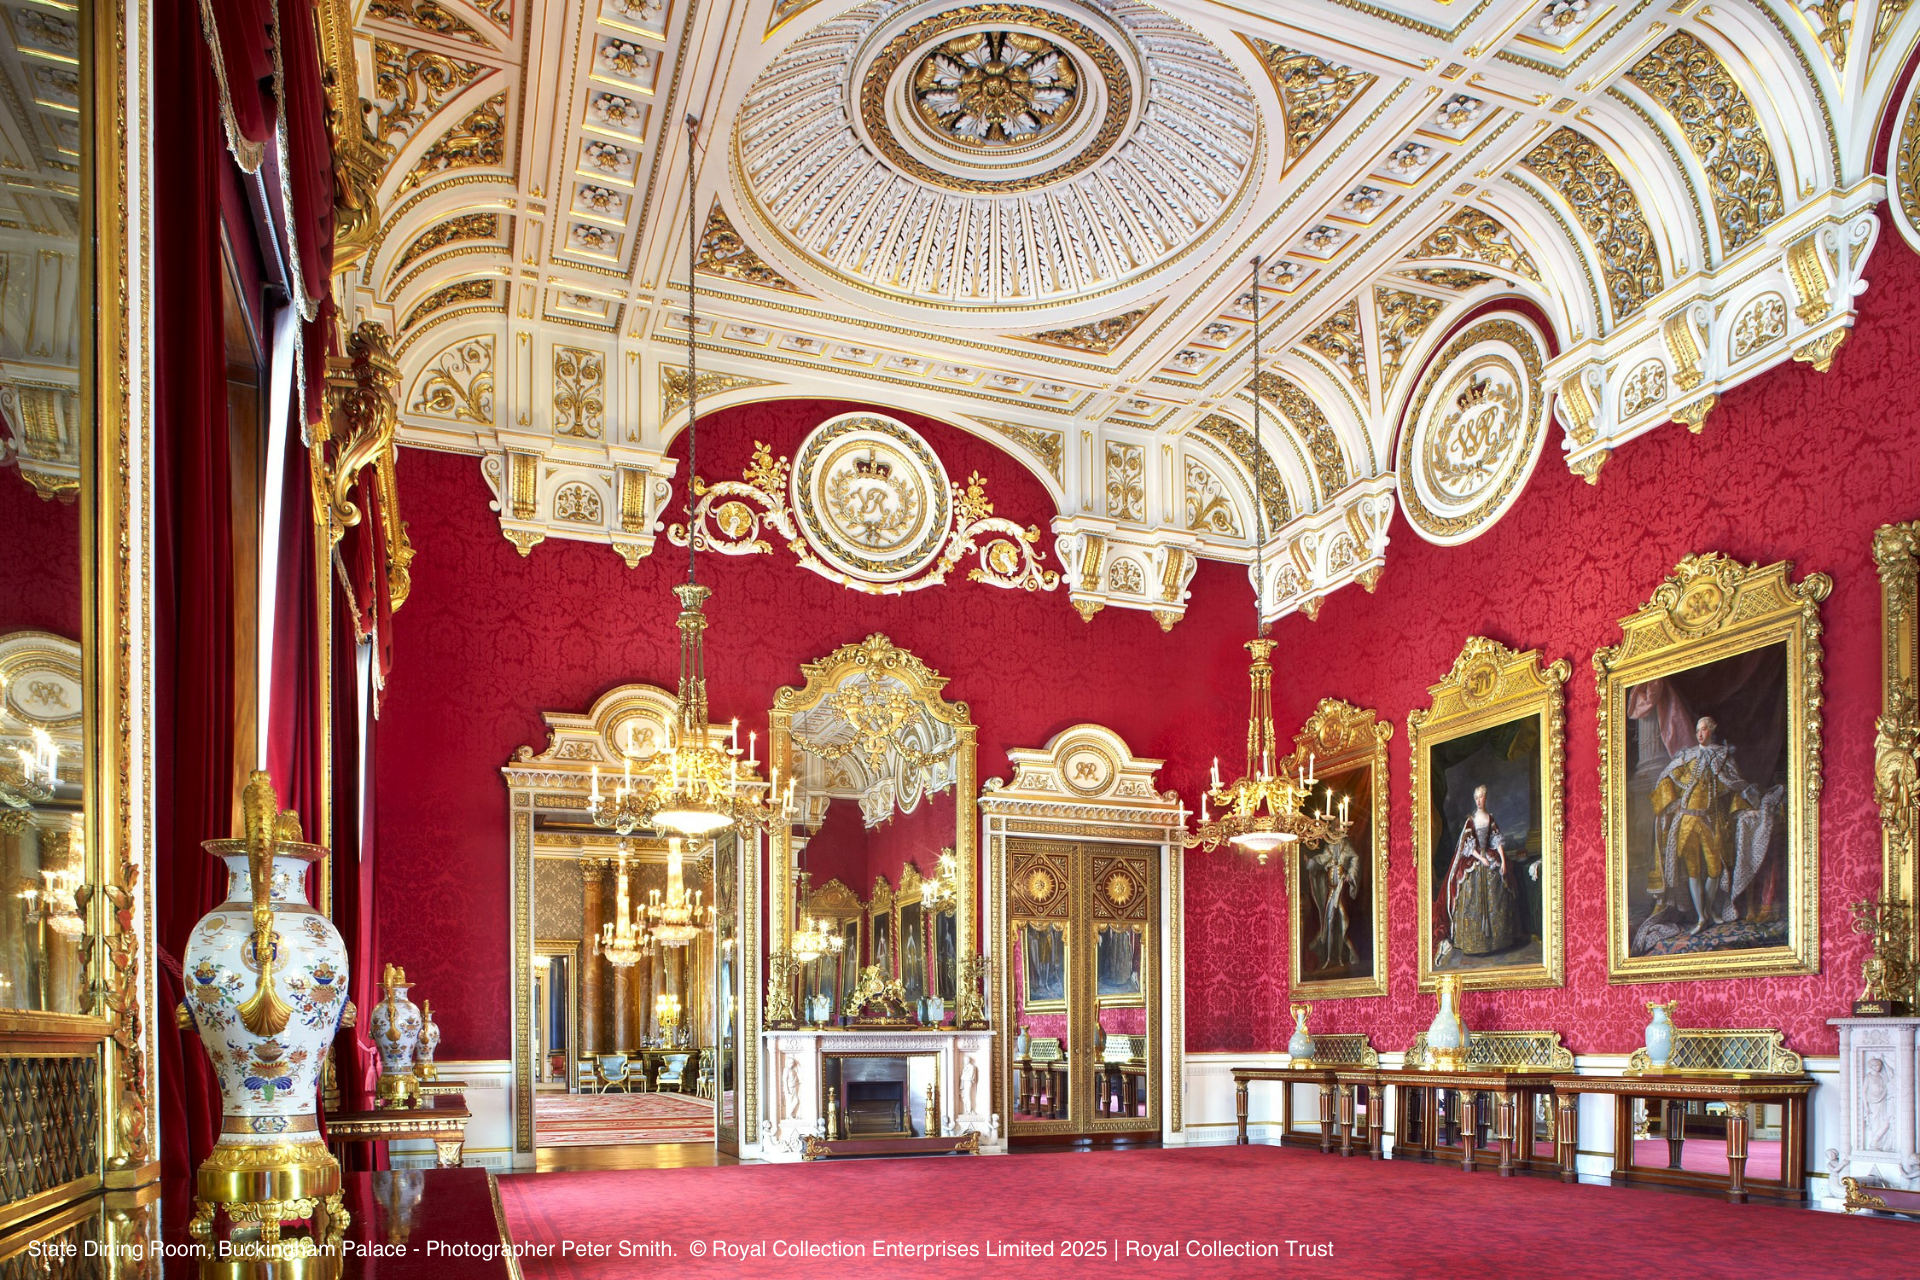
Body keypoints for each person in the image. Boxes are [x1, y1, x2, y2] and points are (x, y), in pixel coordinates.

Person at [1648, 716, 1762, 935]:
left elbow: (1735, 785)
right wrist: (1671, 802)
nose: (1700, 734)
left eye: (1704, 730)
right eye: (1698, 730)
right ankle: (1701, 917)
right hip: (1686, 822)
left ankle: (1708, 909)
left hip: (1710, 821)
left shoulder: (1723, 757)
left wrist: (1747, 807)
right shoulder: (1687, 757)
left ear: (1712, 730)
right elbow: (1667, 779)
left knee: (1715, 870)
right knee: (1693, 870)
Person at [1444, 785, 1519, 955]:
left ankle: (1500, 941)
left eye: (1481, 797)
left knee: (1500, 886)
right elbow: (1468, 846)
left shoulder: (1490, 818)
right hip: (1476, 858)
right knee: (1470, 894)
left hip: (1490, 857)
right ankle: (1474, 943)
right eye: (1476, 798)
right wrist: (1481, 858)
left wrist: (1503, 860)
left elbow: (1496, 840)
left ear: (1486, 797)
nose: (1478, 800)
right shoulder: (1471, 820)